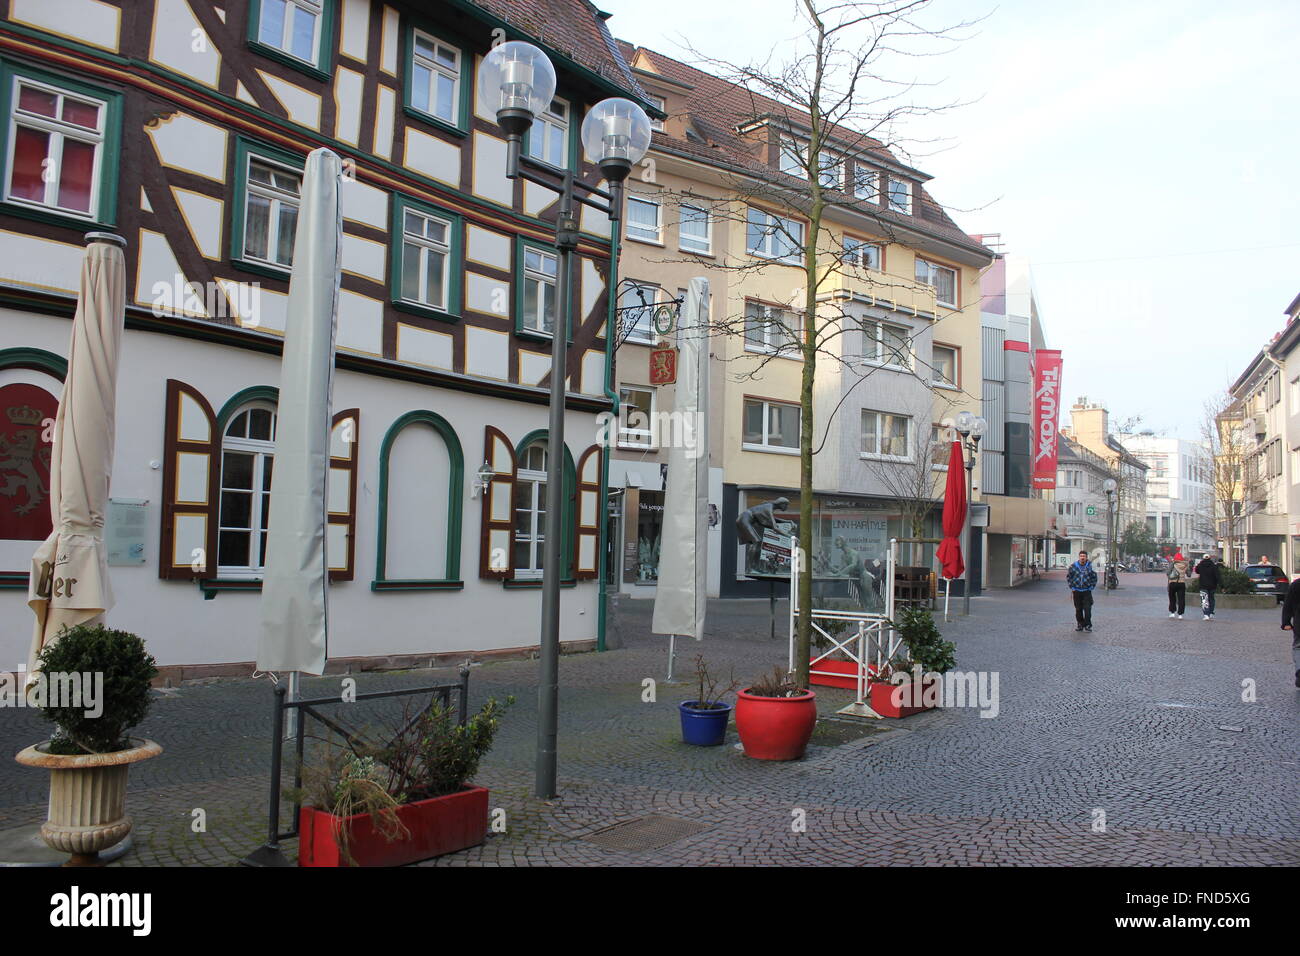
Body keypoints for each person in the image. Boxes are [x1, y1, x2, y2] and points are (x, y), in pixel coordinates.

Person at [1067, 550, 1098, 632]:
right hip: (1076, 591)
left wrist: (1092, 586)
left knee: (1087, 609)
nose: (1082, 558)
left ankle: (1088, 625)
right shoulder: (1073, 566)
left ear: (1086, 557)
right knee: (1078, 609)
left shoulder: (1091, 566)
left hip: (1087, 591)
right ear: (1079, 557)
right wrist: (1072, 587)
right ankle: (1080, 624)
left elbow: (1094, 577)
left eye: (1084, 556)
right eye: (1081, 556)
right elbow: (1069, 577)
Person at [1280, 577, 1300, 688]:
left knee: (1298, 647)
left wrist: (1286, 622)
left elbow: (1288, 604)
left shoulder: (1296, 584)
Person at [1194, 551, 1220, 620]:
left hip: (1203, 585)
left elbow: (1196, 571)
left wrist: (1199, 564)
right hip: (1212, 586)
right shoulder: (1213, 566)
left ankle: (1206, 614)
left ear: (1203, 558)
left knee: (1204, 600)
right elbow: (1217, 576)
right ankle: (1211, 613)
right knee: (1211, 599)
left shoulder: (1200, 565)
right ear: (1210, 558)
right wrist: (1219, 584)